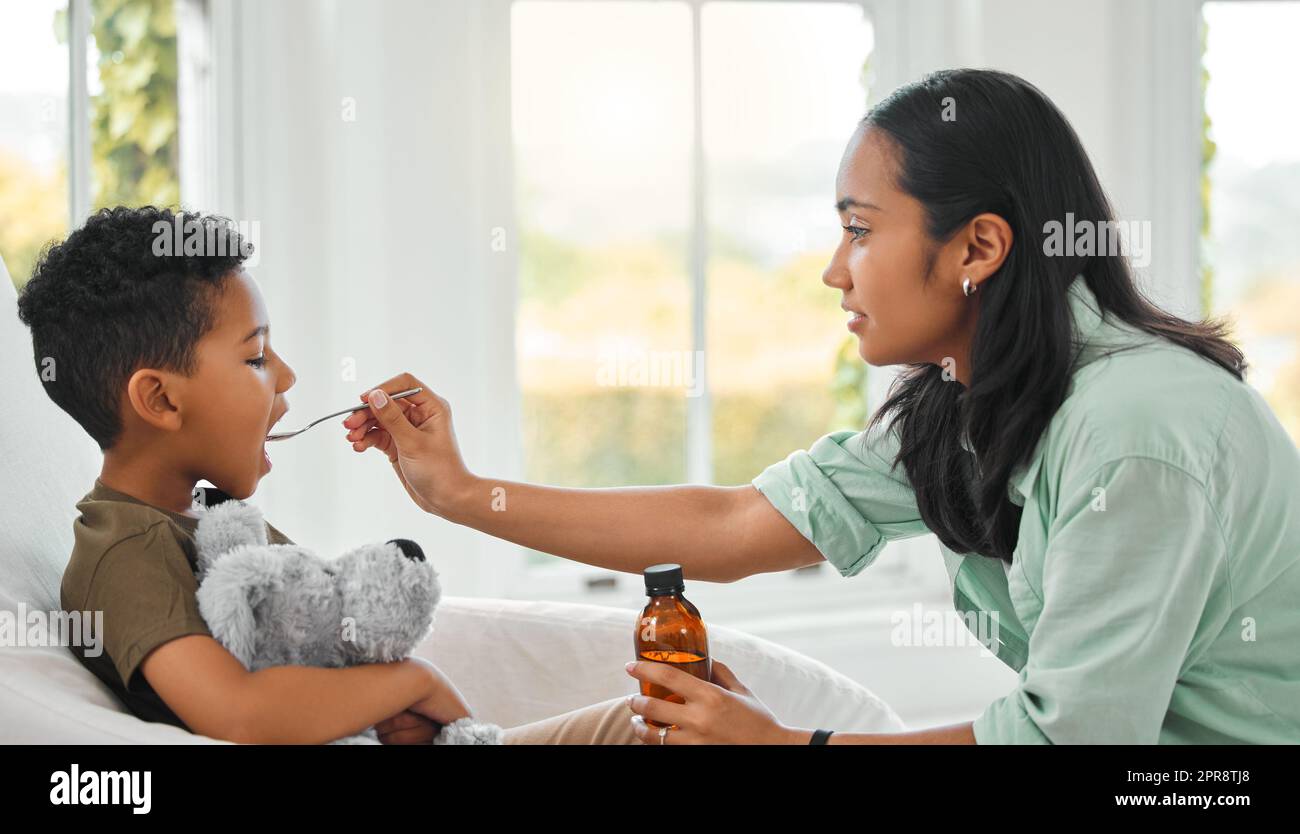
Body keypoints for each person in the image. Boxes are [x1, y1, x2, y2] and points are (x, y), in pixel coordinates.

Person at [348, 69, 1300, 745]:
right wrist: (461, 494)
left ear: (978, 248)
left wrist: (790, 749)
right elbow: (734, 524)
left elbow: (1073, 746)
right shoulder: (969, 405)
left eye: (859, 229)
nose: (833, 269)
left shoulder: (1139, 431)